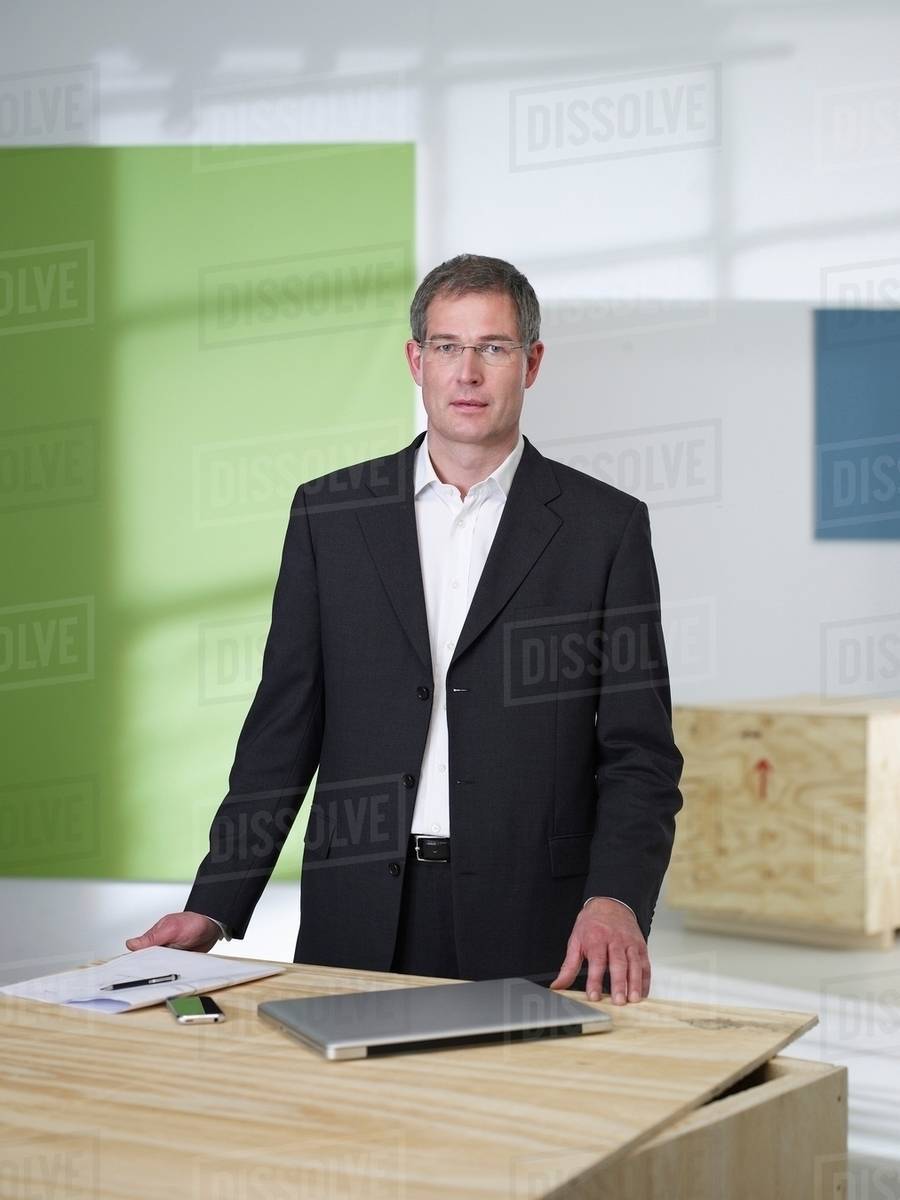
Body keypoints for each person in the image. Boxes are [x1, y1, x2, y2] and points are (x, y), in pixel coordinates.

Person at [126, 253, 684, 1005]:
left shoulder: (604, 529)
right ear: (415, 360)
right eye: (448, 347)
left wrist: (616, 894)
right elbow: (282, 729)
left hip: (536, 925)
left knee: (505, 1122)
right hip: (357, 912)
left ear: (533, 362)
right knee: (349, 1124)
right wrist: (215, 901)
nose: (469, 372)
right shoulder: (331, 515)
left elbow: (639, 754)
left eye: (493, 347)